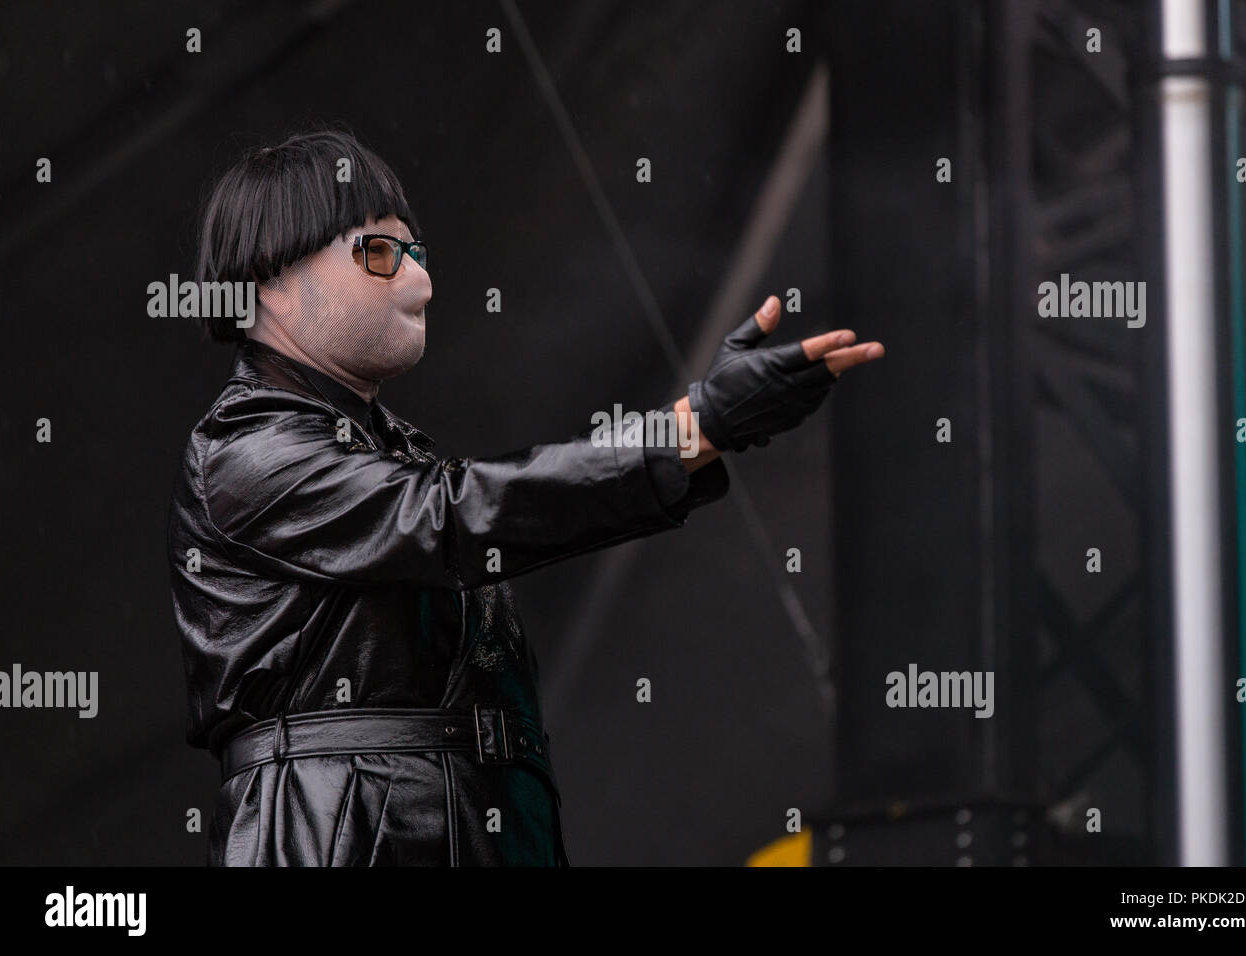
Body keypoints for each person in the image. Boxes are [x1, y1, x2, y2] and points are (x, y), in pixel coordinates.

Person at [167, 128, 884, 866]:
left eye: (418, 254)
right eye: (378, 253)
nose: (421, 283)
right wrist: (690, 431)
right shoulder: (242, 451)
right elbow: (450, 517)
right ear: (269, 278)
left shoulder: (390, 448)